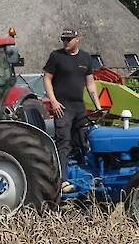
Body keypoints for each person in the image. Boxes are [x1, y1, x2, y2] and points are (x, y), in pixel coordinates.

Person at [43, 29, 102, 193]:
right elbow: (47, 78)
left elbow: (90, 83)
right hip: (63, 108)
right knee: (64, 142)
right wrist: (53, 101)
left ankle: (88, 176)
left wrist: (98, 106)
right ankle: (62, 181)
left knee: (85, 141)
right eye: (63, 39)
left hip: (79, 107)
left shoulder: (85, 58)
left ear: (78, 40)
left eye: (69, 39)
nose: (65, 42)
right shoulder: (56, 56)